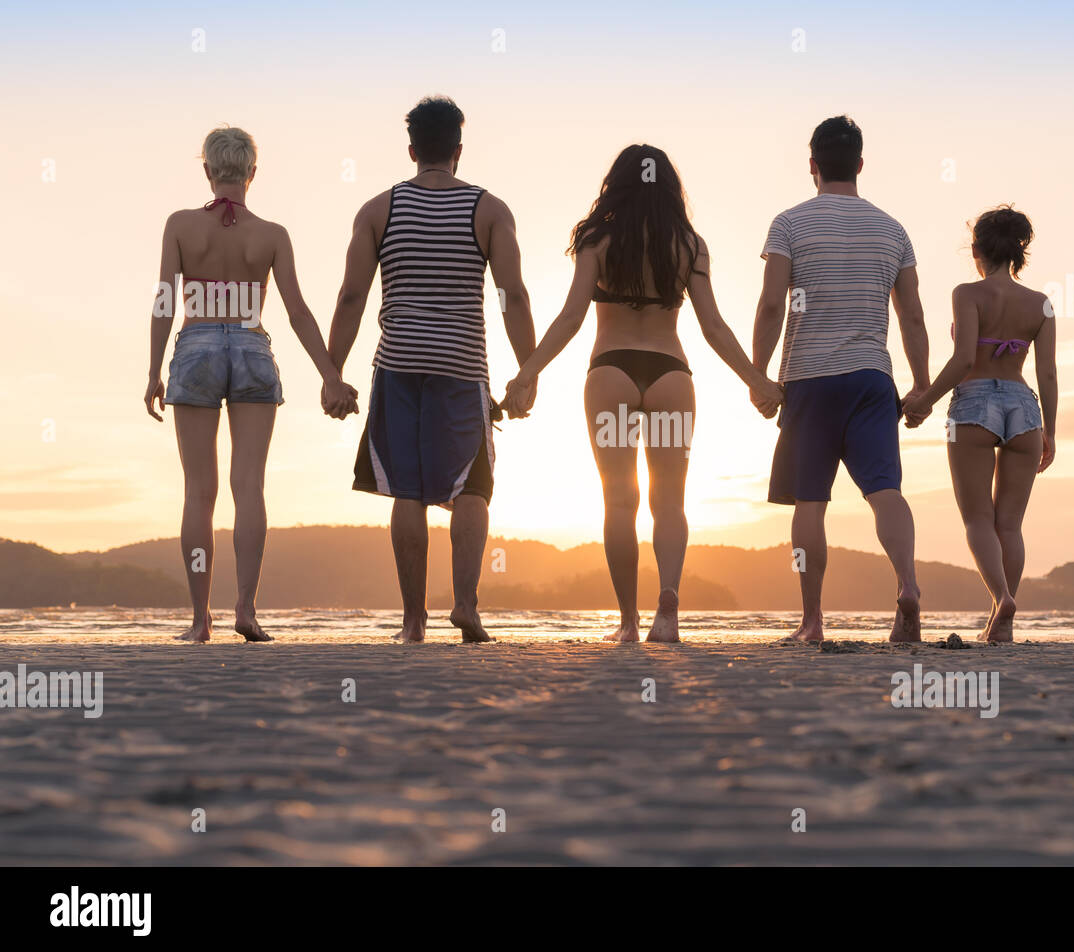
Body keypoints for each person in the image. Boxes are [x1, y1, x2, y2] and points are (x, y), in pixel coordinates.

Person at [501, 145, 784, 643]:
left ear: (617, 185)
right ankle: (668, 608)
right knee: (670, 501)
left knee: (618, 502)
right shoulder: (689, 245)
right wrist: (755, 380)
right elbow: (713, 326)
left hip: (611, 370)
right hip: (671, 374)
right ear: (670, 188)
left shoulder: (597, 238)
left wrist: (527, 372)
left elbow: (570, 318)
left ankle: (629, 621)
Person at [325, 96, 537, 644]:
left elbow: (351, 297)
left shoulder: (379, 210)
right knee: (473, 489)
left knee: (408, 492)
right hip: (461, 368)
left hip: (396, 367)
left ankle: (413, 621)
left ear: (413, 149)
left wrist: (332, 373)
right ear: (458, 151)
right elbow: (513, 295)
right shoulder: (488, 210)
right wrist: (527, 370)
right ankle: (465, 605)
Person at [145, 126, 359, 643]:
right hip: (250, 346)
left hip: (195, 347)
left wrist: (153, 370)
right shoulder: (272, 234)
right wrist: (331, 375)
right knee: (250, 488)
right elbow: (298, 311)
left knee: (199, 492)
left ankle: (200, 620)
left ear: (207, 171)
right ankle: (246, 608)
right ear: (252, 174)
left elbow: (163, 302)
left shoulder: (179, 225)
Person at [751, 116, 929, 645]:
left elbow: (769, 304)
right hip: (873, 378)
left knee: (810, 503)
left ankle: (812, 621)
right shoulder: (893, 229)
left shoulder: (789, 224)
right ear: (860, 165)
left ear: (813, 167)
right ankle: (908, 586)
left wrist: (759, 376)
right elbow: (913, 316)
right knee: (886, 490)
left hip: (811, 380)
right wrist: (920, 384)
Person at [901, 206, 1057, 643]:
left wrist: (924, 401)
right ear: (1018, 251)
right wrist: (1051, 430)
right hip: (1023, 406)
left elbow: (965, 358)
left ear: (976, 250)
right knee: (1010, 524)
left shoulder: (967, 293)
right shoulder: (1040, 304)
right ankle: (1000, 617)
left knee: (976, 519)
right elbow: (1047, 373)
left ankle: (1002, 597)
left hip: (974, 404)